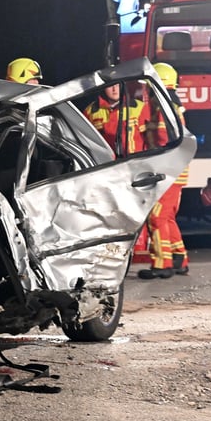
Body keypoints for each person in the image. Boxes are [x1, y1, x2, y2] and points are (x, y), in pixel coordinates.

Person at [139, 62, 190, 279]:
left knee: (157, 217)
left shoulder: (163, 106)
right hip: (175, 169)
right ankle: (179, 257)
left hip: (166, 168)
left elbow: (162, 138)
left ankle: (162, 263)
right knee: (167, 216)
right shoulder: (171, 105)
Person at [82, 81, 147, 157]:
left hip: (137, 162)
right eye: (110, 86)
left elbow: (151, 138)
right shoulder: (90, 112)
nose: (114, 89)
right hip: (107, 164)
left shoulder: (139, 107)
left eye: (117, 85)